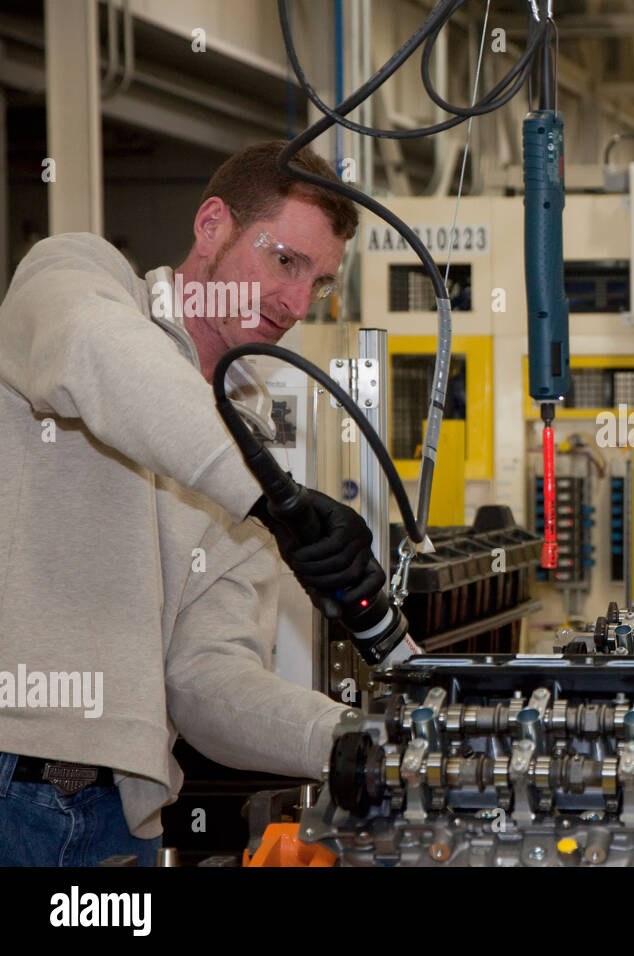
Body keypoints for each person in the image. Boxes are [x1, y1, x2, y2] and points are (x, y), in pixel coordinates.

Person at [0, 141, 378, 866]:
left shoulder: (248, 439)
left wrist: (352, 737)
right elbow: (94, 352)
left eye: (321, 282)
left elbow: (205, 678)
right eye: (286, 261)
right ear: (212, 225)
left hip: (122, 820)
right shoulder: (77, 277)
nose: (298, 304)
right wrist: (276, 503)